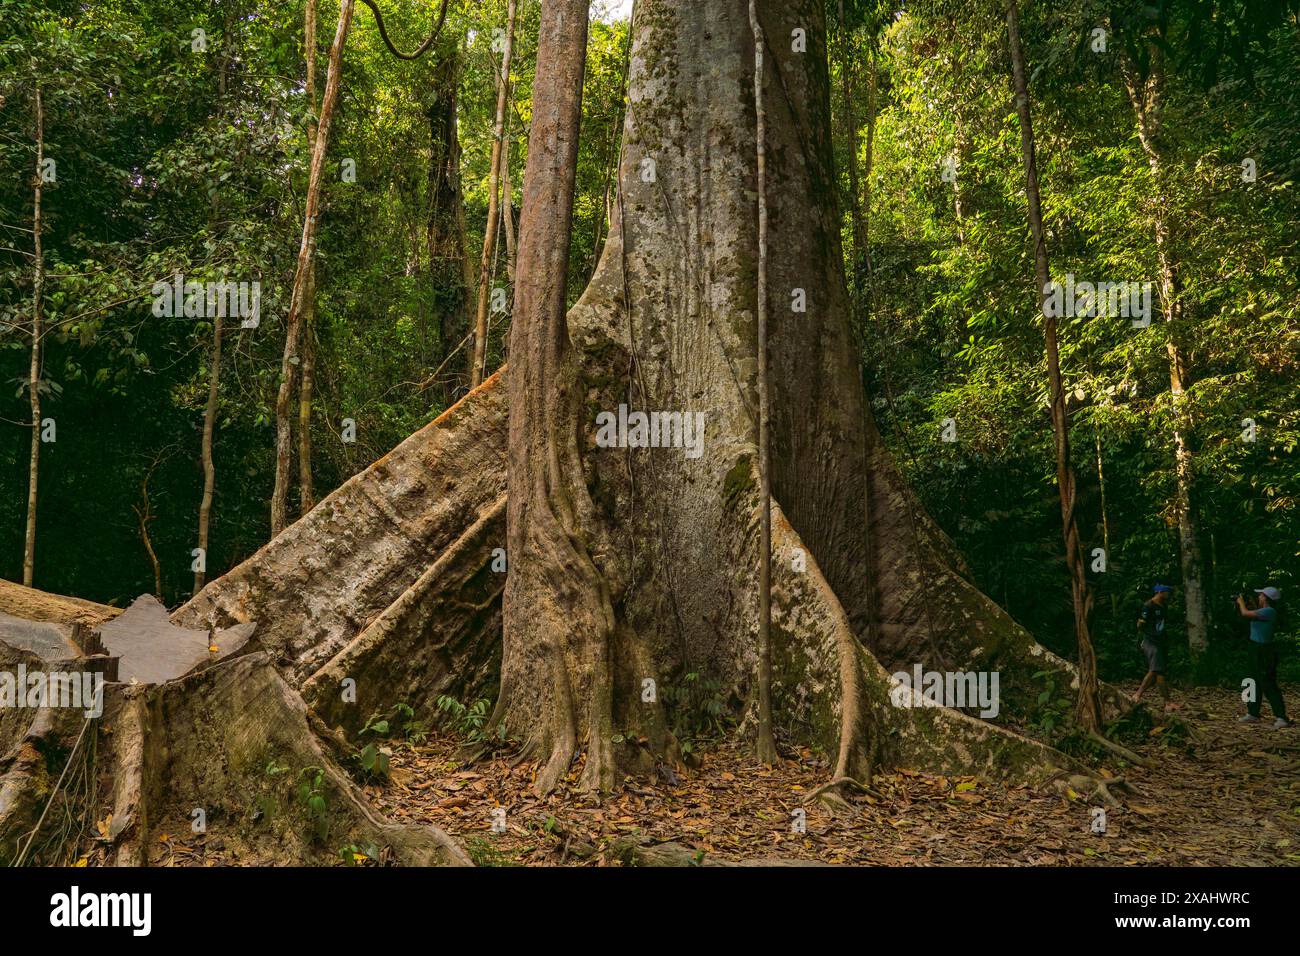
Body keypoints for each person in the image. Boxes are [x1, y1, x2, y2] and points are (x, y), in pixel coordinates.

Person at [1237, 586, 1293, 729]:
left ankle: (1281, 717)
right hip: (1255, 648)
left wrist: (1240, 602)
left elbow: (1244, 613)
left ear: (1266, 598)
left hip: (1264, 650)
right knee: (1251, 681)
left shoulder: (1269, 611)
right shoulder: (1263, 611)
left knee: (1267, 683)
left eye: (1261, 595)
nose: (1259, 597)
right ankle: (1252, 713)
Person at [1134, 584, 1175, 711]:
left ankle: (1168, 703)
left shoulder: (1164, 606)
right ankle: (1137, 695)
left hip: (1160, 642)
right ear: (1160, 592)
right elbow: (1140, 624)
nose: (1169, 595)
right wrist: (1144, 638)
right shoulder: (1148, 605)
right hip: (1150, 641)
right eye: (1167, 592)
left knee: (1159, 672)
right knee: (1155, 670)